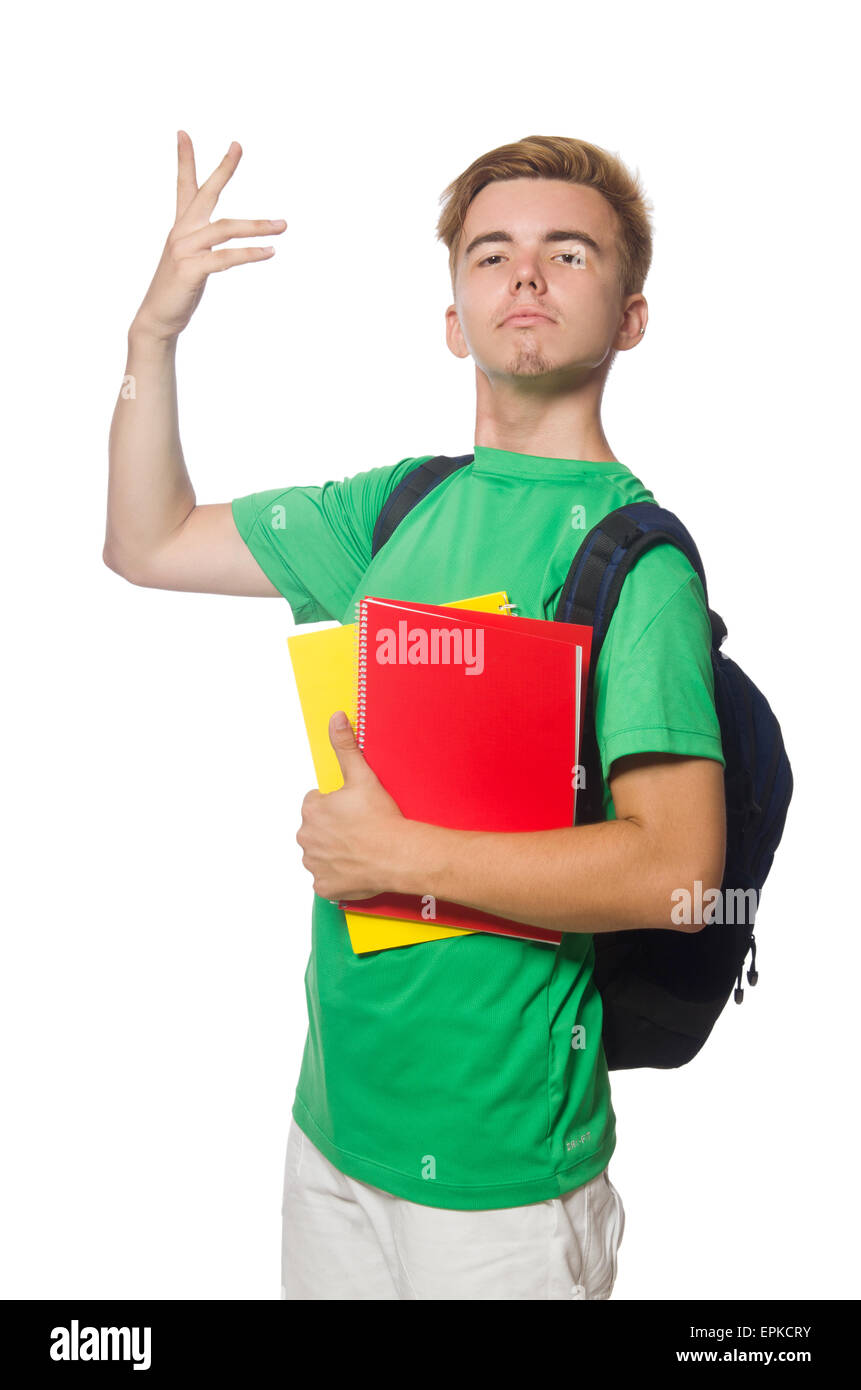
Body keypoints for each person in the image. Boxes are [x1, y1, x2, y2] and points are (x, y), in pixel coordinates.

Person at [104, 131, 727, 1301]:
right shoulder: (395, 508)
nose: (525, 275)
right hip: (334, 1129)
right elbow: (145, 541)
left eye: (568, 251)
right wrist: (153, 336)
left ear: (632, 316)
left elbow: (678, 871)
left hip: (499, 1183)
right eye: (492, 253)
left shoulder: (636, 562)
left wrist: (394, 857)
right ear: (455, 318)